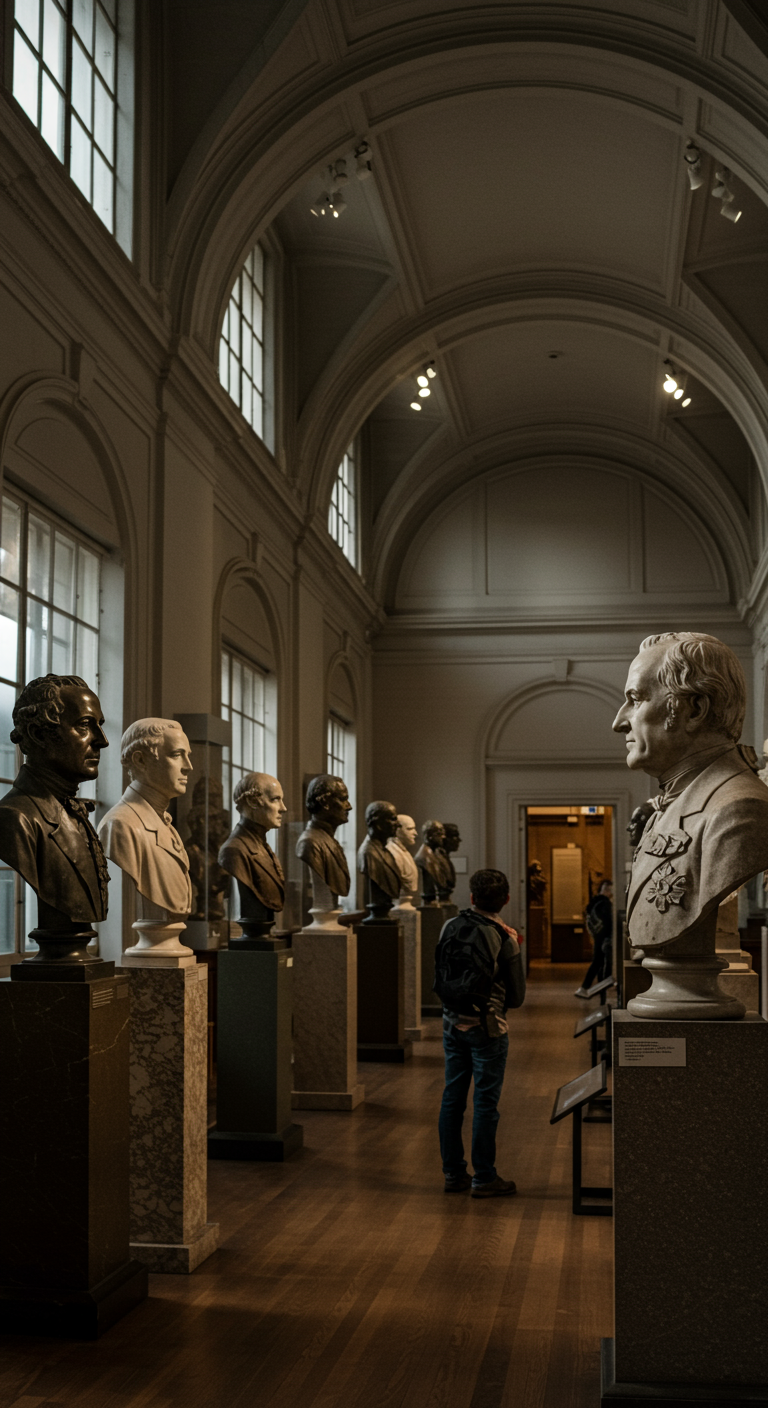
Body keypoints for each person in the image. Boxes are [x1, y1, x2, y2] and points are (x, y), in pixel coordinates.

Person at [436, 867, 526, 1198]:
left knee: (452, 1098)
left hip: (450, 1024)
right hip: (489, 1029)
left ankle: (453, 1174)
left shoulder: (449, 926)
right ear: (505, 900)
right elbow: (516, 999)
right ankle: (484, 1177)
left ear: (471, 898)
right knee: (485, 1103)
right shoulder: (505, 937)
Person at [574, 878, 613, 998]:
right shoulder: (605, 903)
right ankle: (589, 988)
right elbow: (608, 922)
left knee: (598, 962)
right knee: (600, 963)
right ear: (607, 890)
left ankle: (589, 988)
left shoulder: (594, 902)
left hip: (597, 936)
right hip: (604, 938)